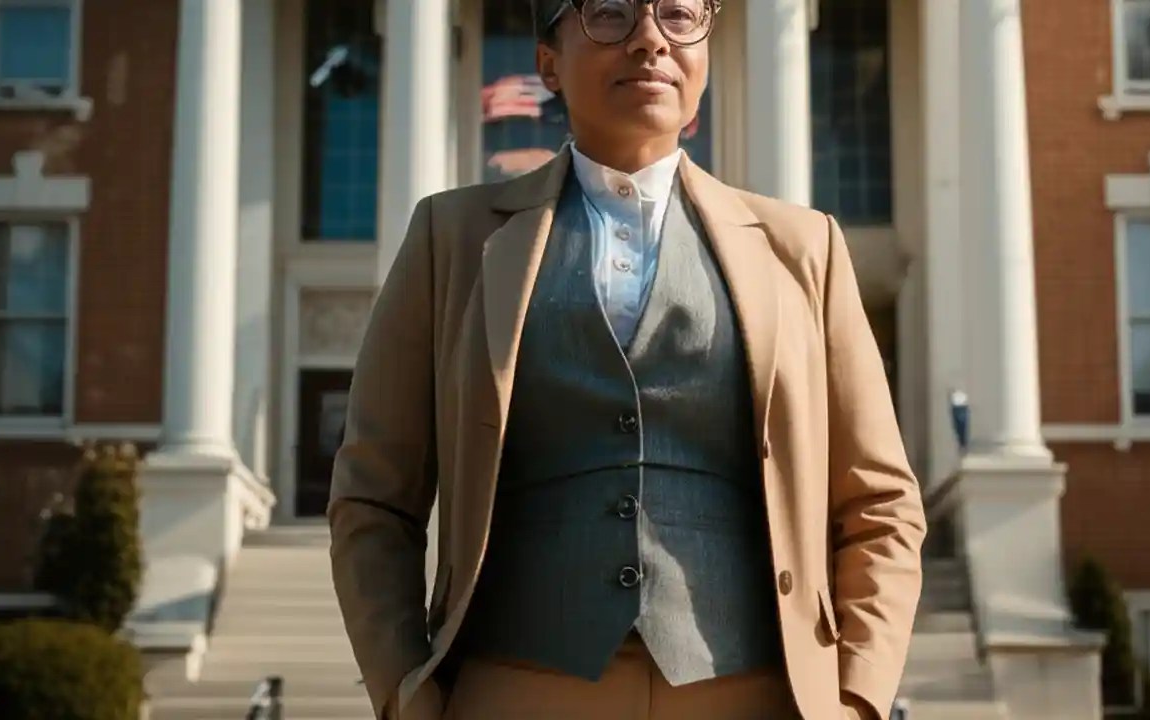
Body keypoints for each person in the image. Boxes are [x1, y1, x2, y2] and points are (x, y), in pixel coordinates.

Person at [328, 1, 926, 718]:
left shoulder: (804, 249)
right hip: (516, 687)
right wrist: (405, 691)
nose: (650, 40)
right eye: (610, 13)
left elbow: (880, 502)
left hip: (752, 691)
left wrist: (857, 698)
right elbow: (372, 495)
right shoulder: (449, 238)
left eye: (678, 15)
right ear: (547, 62)